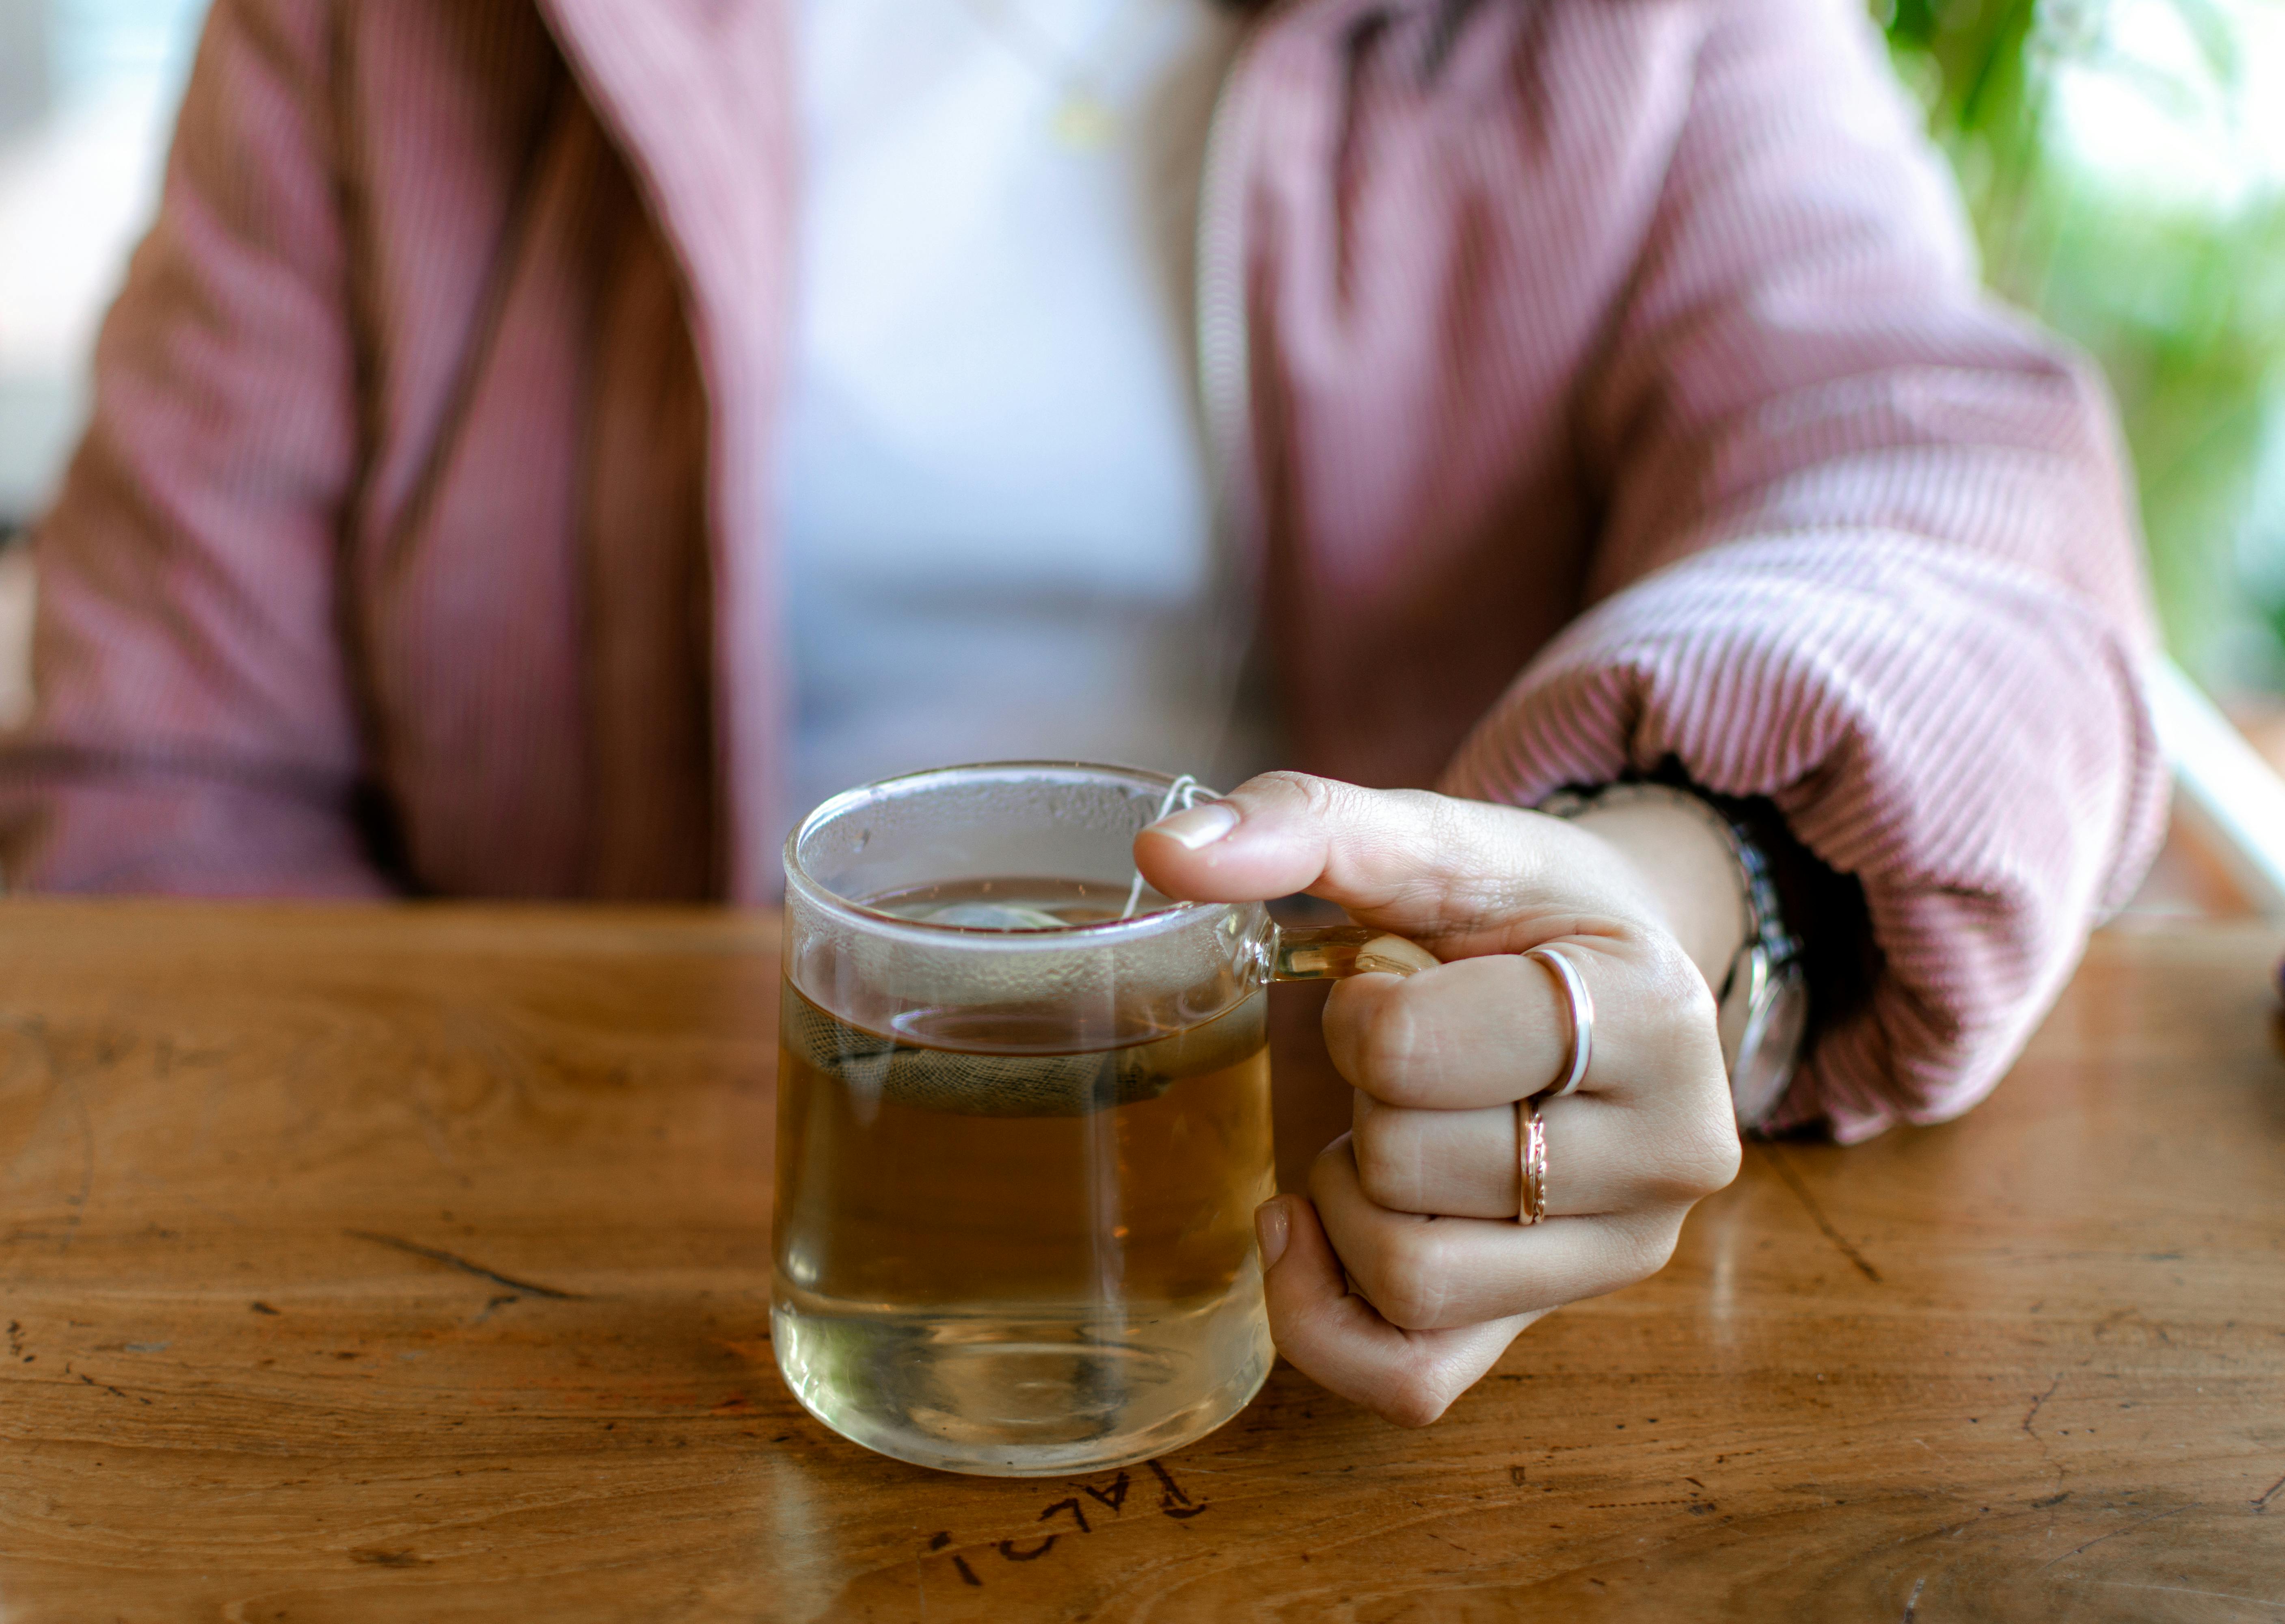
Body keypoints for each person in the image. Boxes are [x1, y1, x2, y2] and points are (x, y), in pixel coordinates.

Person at [0, 0, 2164, 1427]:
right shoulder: (384, 38)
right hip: (554, 1358)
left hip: (1385, 1341)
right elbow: (155, 794)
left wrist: (1680, 891)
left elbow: (1952, 492)